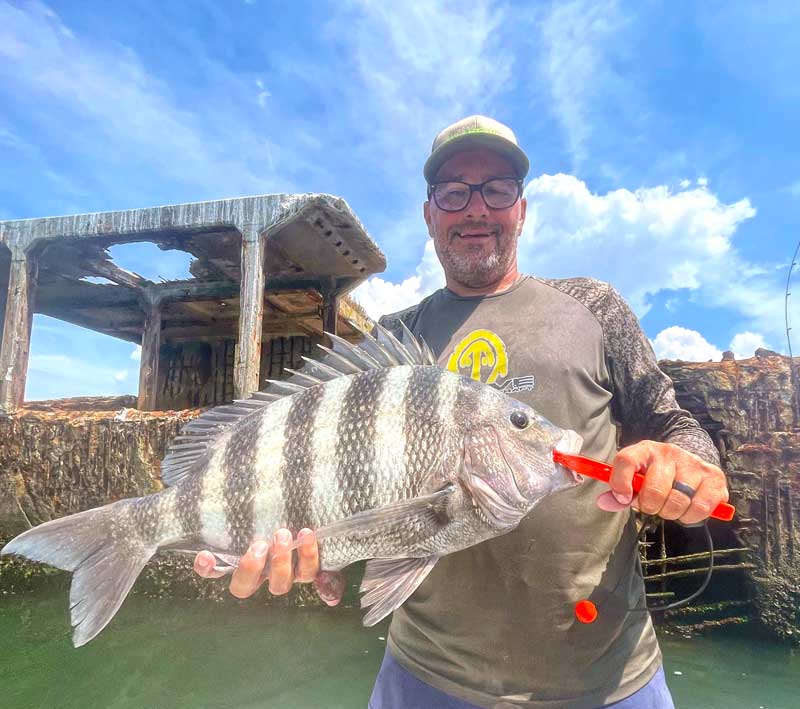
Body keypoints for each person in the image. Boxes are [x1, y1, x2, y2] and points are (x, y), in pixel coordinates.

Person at [194, 115, 729, 708]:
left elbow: (674, 426)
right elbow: (355, 504)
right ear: (430, 215)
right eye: (453, 192)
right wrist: (321, 564)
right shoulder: (394, 337)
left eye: (496, 188)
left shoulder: (594, 306)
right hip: (425, 680)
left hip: (610, 681)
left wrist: (690, 462)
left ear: (521, 209)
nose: (475, 208)